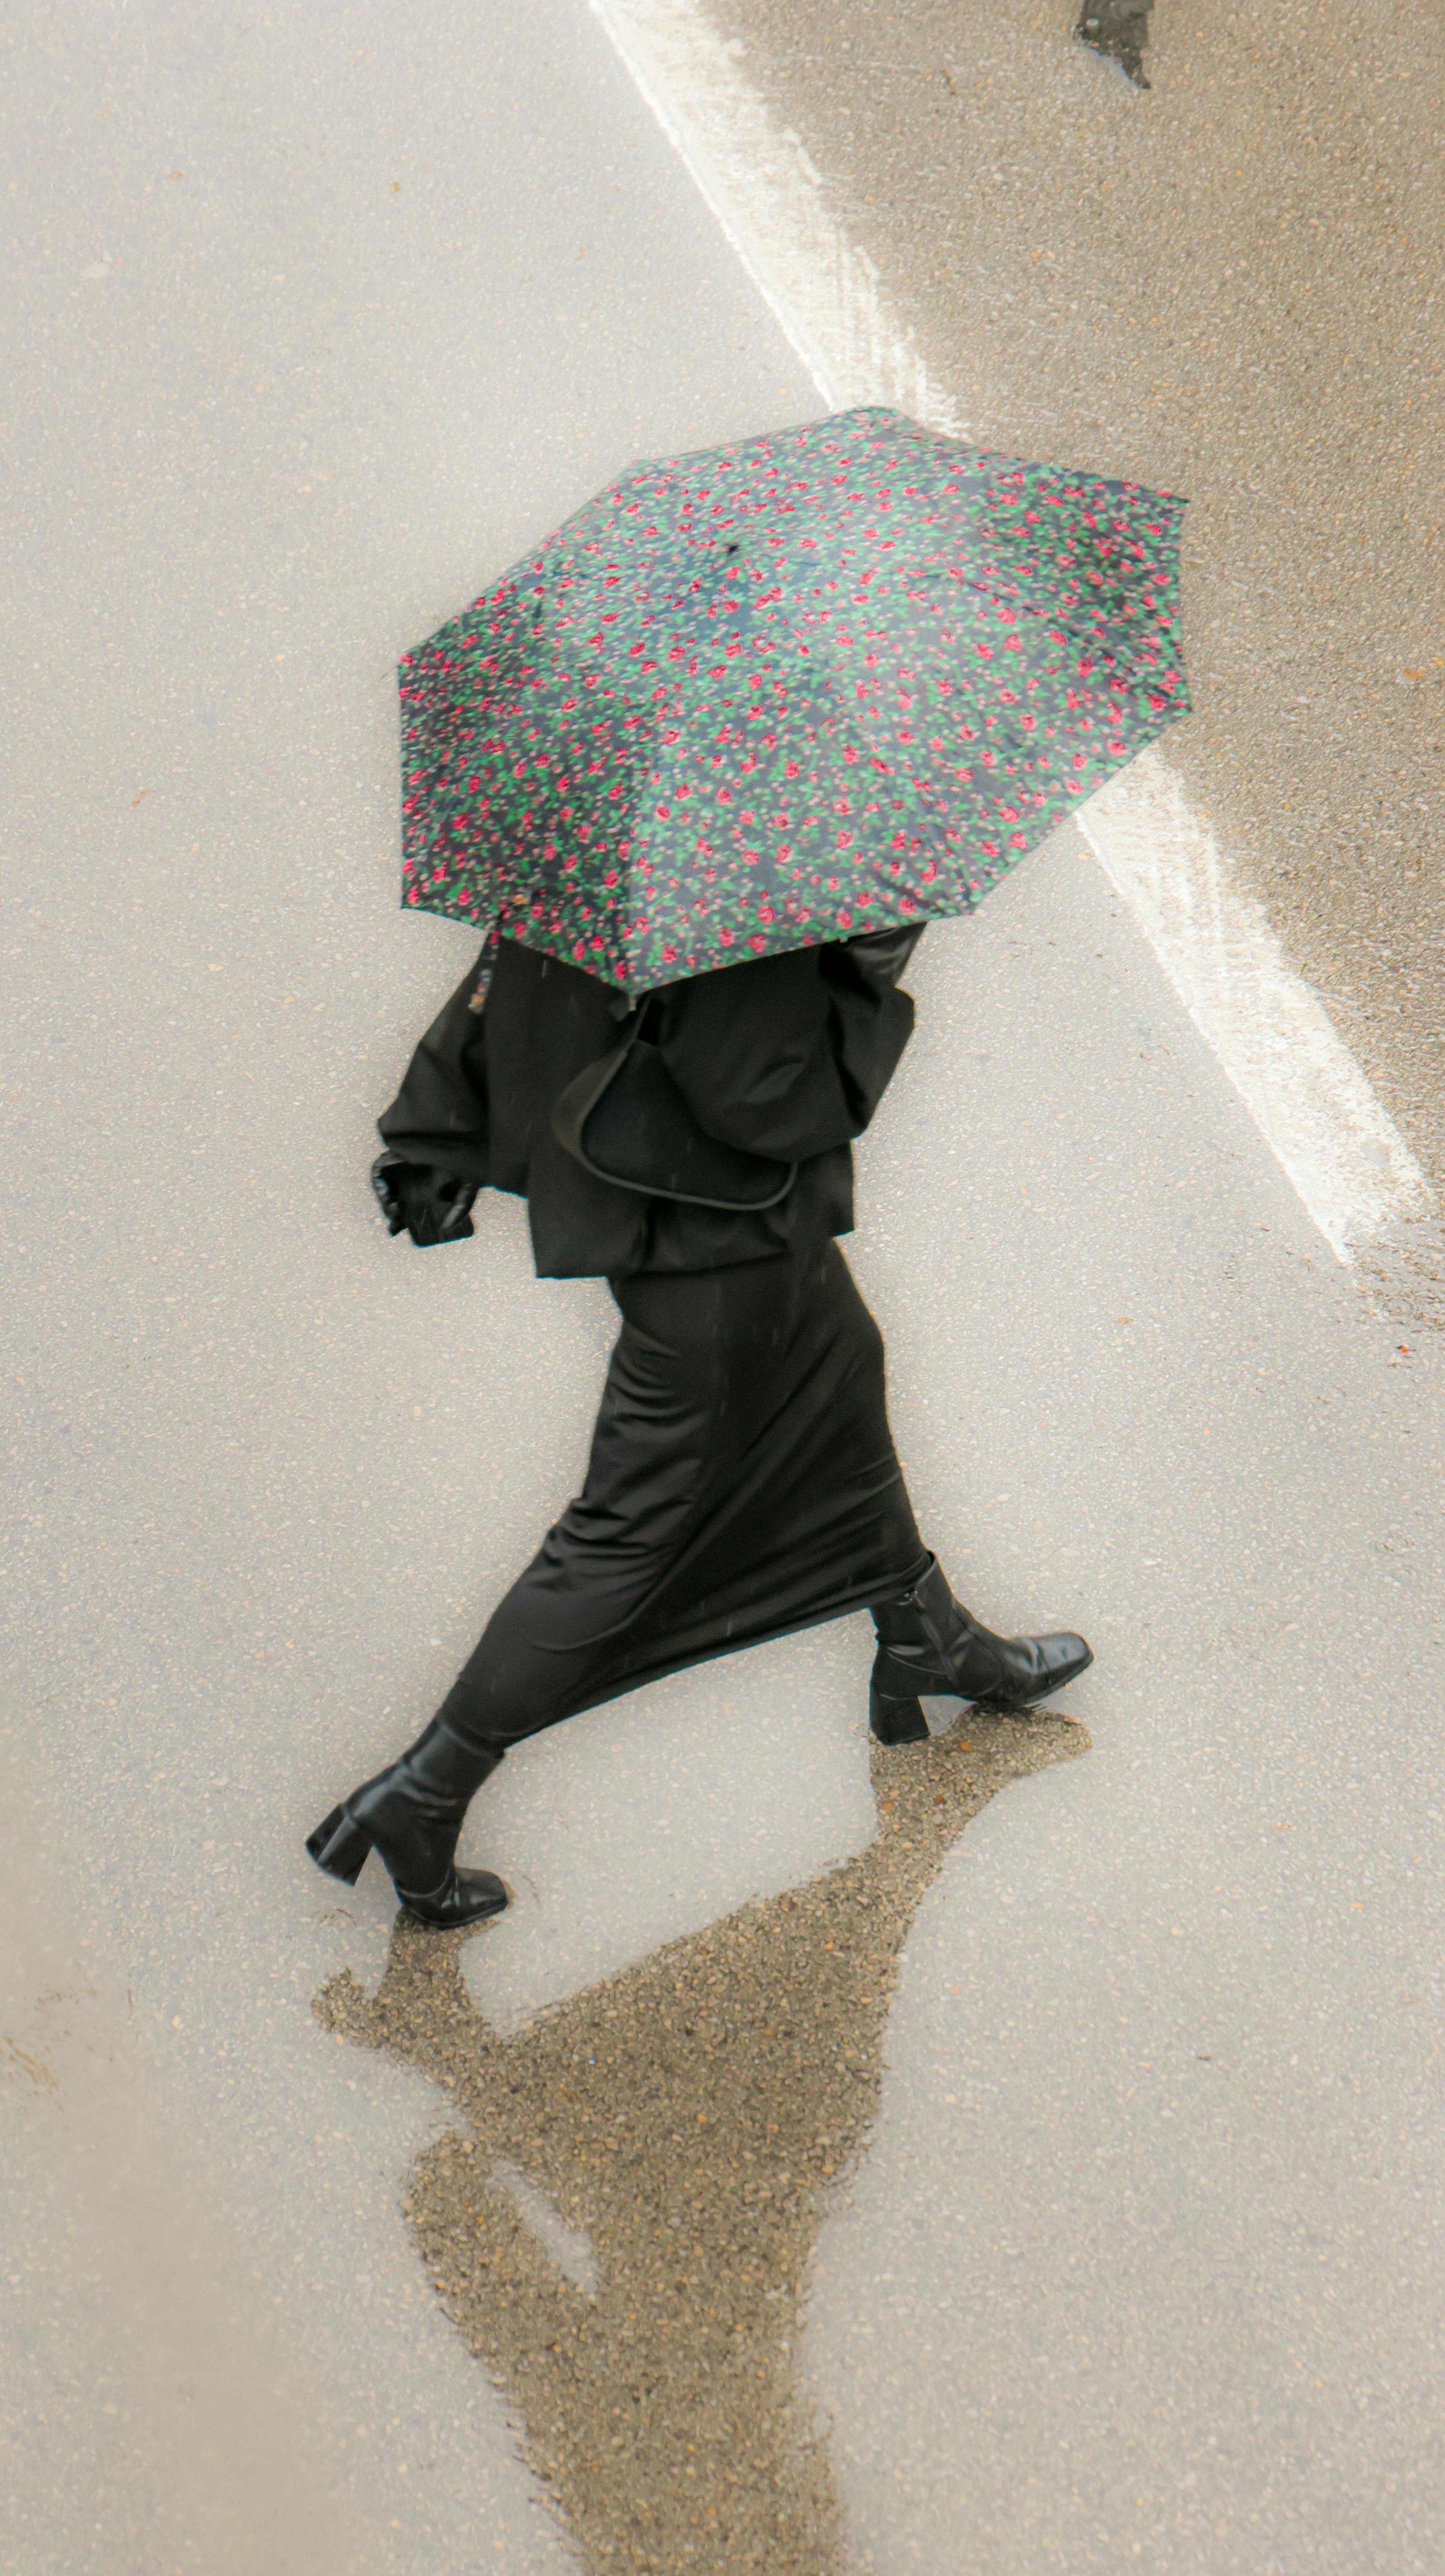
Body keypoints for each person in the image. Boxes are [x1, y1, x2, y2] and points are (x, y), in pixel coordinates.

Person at [306, 926, 1091, 1928]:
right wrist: (866, 967)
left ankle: (925, 1632)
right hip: (710, 1230)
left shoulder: (648, 821)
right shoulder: (755, 882)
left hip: (689, 1208)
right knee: (623, 1538)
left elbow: (524, 957)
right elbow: (758, 1094)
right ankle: (424, 1790)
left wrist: (437, 1124)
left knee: (843, 1368)